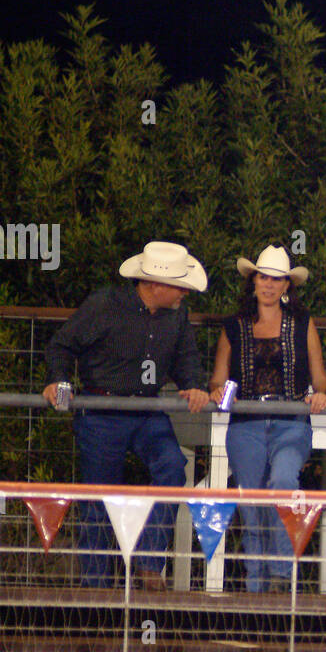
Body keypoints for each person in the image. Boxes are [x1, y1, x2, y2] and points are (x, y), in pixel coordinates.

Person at [43, 241, 209, 590]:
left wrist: (193, 384)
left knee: (172, 467)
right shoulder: (104, 304)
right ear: (155, 285)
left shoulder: (176, 315)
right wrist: (58, 380)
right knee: (99, 497)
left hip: (146, 408)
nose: (184, 293)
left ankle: (148, 564)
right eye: (180, 286)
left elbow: (186, 358)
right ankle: (96, 587)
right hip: (102, 409)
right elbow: (61, 345)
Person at [207, 245, 326, 592]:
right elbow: (218, 377)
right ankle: (255, 586)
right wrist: (217, 391)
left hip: (290, 419)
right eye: (264, 277)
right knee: (251, 501)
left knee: (283, 481)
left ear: (287, 286)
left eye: (278, 279)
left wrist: (319, 392)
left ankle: (278, 573)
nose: (270, 285)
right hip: (245, 421)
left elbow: (321, 378)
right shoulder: (234, 325)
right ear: (254, 281)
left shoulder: (302, 323)